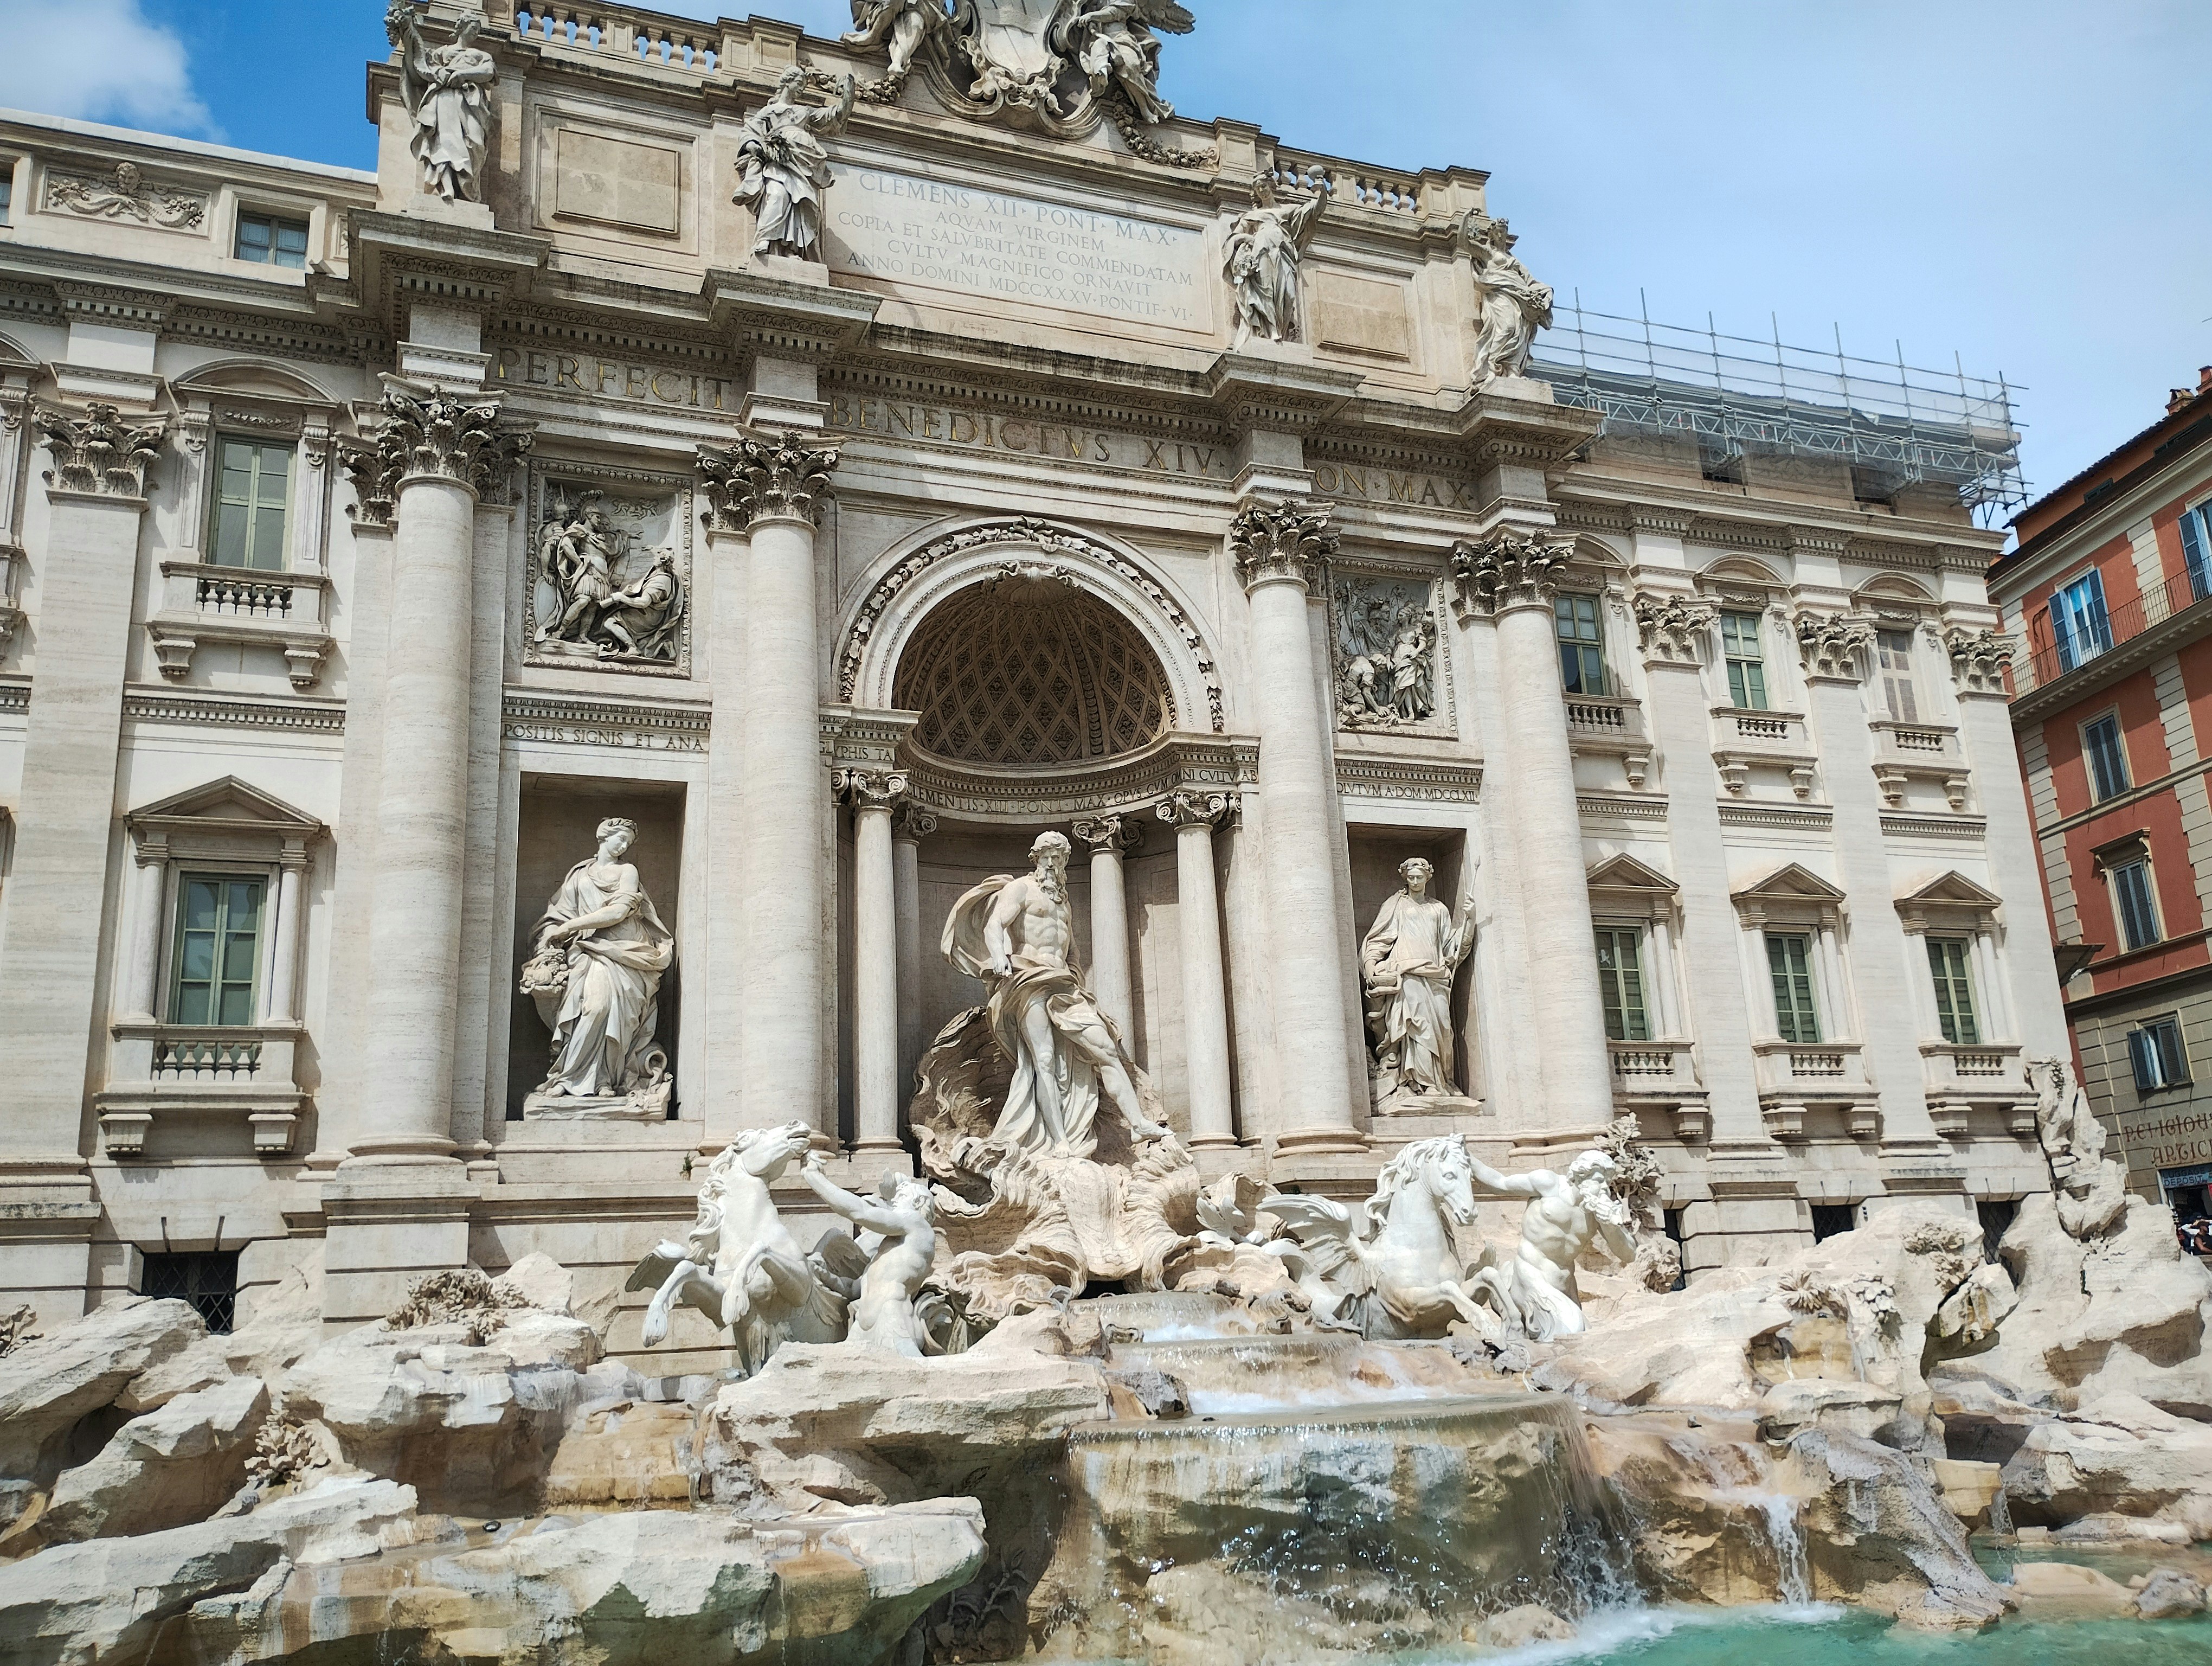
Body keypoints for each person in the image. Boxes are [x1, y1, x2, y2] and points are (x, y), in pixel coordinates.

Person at [942, 831, 1168, 1158]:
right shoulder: (1020, 889)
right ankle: (1058, 1140)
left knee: (1105, 1048)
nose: (1052, 862)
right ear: (1036, 859)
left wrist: (1075, 975)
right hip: (1028, 979)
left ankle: (1138, 1123)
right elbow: (995, 926)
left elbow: (1071, 948)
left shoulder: (1063, 903)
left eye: (1059, 857)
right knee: (1043, 1061)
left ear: (1064, 862)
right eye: (1047, 856)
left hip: (1063, 985)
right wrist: (1000, 958)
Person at [523, 817, 674, 1100]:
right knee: (589, 1010)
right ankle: (567, 1076)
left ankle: (606, 1079)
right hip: (585, 951)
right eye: (620, 838)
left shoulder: (628, 871)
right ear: (603, 836)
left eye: (629, 841)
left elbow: (618, 913)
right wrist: (552, 934)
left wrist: (570, 927)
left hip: (624, 951)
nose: (625, 845)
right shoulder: (579, 874)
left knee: (607, 1010)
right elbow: (558, 913)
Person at [1466, 1149, 1637, 1338]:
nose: (1605, 1187)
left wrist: (1611, 1226)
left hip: (1566, 1285)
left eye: (1608, 1181)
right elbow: (1500, 1183)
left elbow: (1629, 1255)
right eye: (1598, 1180)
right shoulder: (1549, 1184)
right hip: (1531, 1274)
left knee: (1585, 1334)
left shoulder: (1597, 1211)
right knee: (1571, 1330)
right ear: (1580, 1177)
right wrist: (1467, 1157)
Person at [799, 1152, 938, 1355]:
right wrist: (822, 1274)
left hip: (892, 1319)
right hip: (862, 1327)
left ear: (917, 1203)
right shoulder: (889, 1251)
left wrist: (815, 1179)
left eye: (900, 1198)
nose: (894, 1204)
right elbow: (853, 1289)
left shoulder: (918, 1225)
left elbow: (862, 1213)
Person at [1360, 857, 1474, 1104]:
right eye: (1410, 878)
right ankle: (1421, 1084)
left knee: (1443, 1028)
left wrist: (1470, 920)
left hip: (1436, 977)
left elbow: (1451, 949)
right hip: (1408, 976)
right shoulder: (1396, 905)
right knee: (1417, 1027)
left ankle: (1440, 1081)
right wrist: (1370, 965)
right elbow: (1378, 940)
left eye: (1419, 878)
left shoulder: (1439, 909)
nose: (1414, 882)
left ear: (1428, 877)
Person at [734, 66, 856, 260]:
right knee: (777, 195)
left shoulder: (804, 112)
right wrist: (754, 146)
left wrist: (849, 94)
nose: (801, 89)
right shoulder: (769, 111)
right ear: (787, 83)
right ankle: (765, 239)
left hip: (804, 161)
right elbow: (749, 132)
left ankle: (790, 249)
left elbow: (837, 115)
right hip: (778, 159)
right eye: (799, 84)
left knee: (800, 204)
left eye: (804, 86)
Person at [390, 5, 496, 203]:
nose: (476, 33)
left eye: (478, 31)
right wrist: (408, 34)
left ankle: (466, 188)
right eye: (473, 28)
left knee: (474, 143)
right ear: (463, 27)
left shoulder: (481, 56)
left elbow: (489, 72)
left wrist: (462, 74)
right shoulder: (442, 53)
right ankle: (446, 187)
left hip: (470, 103)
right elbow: (420, 68)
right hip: (444, 100)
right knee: (445, 142)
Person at [1222, 170, 1332, 346]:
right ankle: (1270, 332)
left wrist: (1322, 188)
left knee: (1289, 294)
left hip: (1283, 255)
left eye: (1264, 187)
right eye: (1258, 189)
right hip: (1261, 253)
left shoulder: (1288, 210)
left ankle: (1280, 330)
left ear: (1271, 186)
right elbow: (1233, 239)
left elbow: (1317, 210)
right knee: (1266, 292)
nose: (1262, 191)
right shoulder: (1250, 216)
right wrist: (1245, 238)